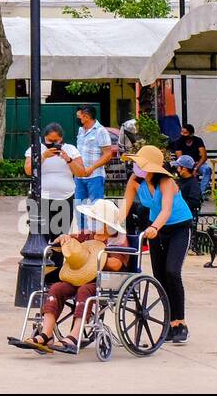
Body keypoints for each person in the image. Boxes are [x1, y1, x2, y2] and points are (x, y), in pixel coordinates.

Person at [23, 200, 129, 352]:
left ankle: (74, 335)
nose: (91, 222)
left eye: (95, 220)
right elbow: (69, 241)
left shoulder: (118, 239)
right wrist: (63, 239)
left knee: (84, 291)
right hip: (79, 277)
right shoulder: (87, 235)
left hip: (103, 280)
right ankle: (46, 334)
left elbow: (116, 264)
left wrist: (96, 258)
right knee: (57, 288)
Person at [118, 144, 194, 344]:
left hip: (178, 227)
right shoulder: (135, 182)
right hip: (156, 231)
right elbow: (124, 206)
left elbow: (166, 210)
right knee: (159, 277)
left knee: (172, 272)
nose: (136, 167)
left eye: (140, 164)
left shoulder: (166, 182)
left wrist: (154, 227)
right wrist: (111, 226)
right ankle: (170, 323)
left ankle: (181, 323)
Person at [24, 122, 81, 238]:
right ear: (44, 138)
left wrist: (69, 160)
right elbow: (28, 170)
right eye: (50, 141)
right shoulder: (36, 148)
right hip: (41, 198)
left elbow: (80, 172)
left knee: (60, 238)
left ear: (62, 139)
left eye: (57, 141)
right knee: (40, 236)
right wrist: (43, 156)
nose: (53, 144)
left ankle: (57, 257)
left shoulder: (70, 149)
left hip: (65, 198)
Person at [74, 105, 115, 231]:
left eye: (79, 116)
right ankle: (83, 234)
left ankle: (98, 235)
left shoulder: (100, 131)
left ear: (86, 116)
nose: (77, 118)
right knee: (79, 207)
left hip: (95, 176)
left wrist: (91, 168)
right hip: (79, 175)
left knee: (96, 207)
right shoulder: (81, 130)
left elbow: (108, 154)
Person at [171, 124, 211, 194]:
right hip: (185, 164)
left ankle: (200, 193)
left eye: (185, 133)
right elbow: (180, 159)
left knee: (207, 169)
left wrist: (195, 168)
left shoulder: (198, 140)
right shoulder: (178, 141)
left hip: (197, 164)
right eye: (182, 132)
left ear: (191, 134)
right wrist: (190, 168)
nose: (182, 134)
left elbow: (204, 157)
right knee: (171, 166)